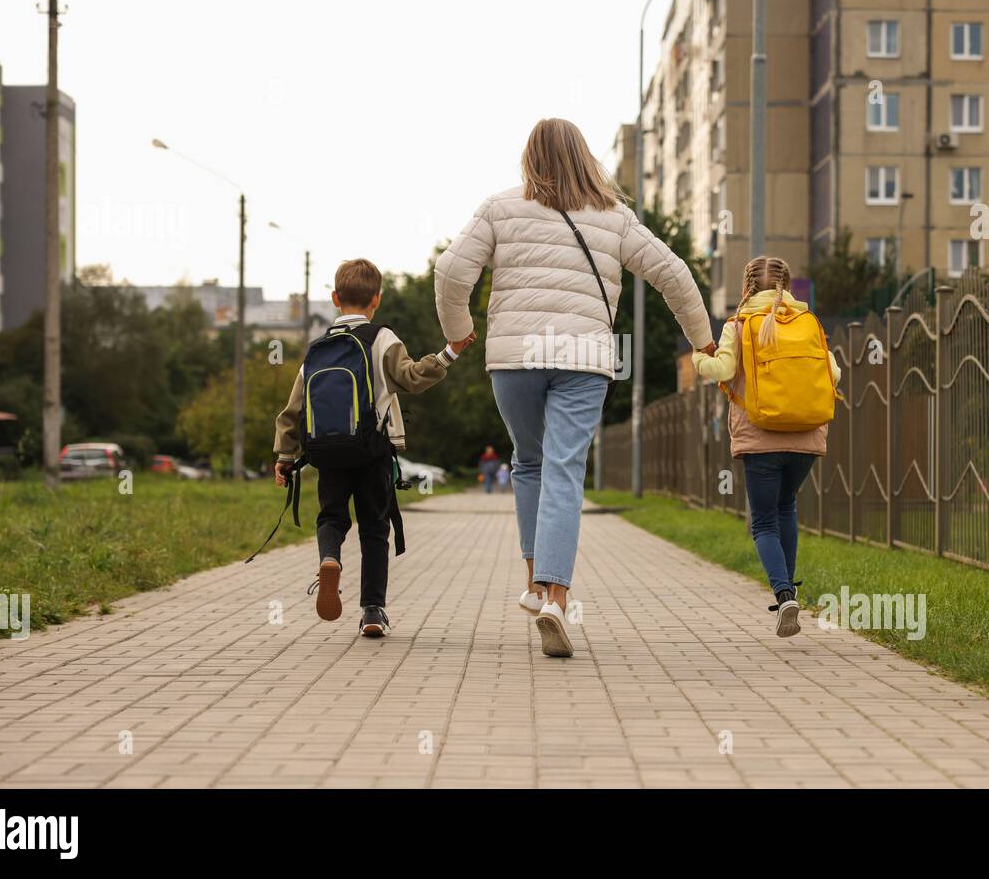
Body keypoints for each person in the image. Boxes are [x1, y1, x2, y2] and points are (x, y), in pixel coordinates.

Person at [435, 117, 714, 657]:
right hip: (584, 359)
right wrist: (702, 340)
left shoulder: (500, 206)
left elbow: (450, 272)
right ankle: (557, 600)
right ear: (585, 156)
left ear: (529, 156)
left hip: (516, 358)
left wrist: (459, 332)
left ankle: (536, 583)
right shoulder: (615, 217)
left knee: (529, 462)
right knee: (564, 469)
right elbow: (674, 275)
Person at [273, 257, 474, 637]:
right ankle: (372, 611)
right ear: (376, 300)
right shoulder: (382, 338)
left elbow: (293, 410)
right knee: (374, 529)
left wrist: (284, 457)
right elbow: (411, 378)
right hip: (371, 451)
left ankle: (330, 558)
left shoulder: (316, 350)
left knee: (331, 517)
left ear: (335, 298)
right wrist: (450, 352)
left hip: (328, 454)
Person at [692, 256, 841, 637]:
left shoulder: (739, 325)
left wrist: (698, 360)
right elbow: (833, 373)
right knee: (786, 506)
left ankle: (784, 592)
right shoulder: (809, 322)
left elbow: (723, 371)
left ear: (745, 289)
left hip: (760, 436)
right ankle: (788, 592)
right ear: (788, 286)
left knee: (762, 521)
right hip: (806, 436)